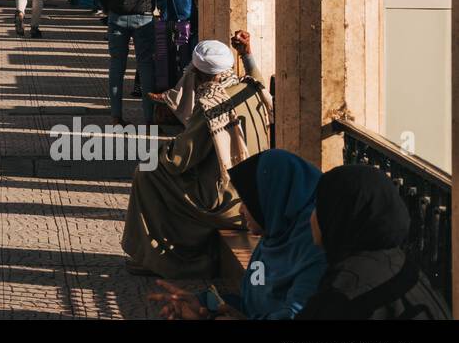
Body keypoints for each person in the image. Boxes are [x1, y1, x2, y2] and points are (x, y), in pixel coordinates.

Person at [122, 31, 272, 278]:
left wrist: (160, 151)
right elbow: (257, 78)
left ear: (198, 75)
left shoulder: (212, 104)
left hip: (226, 202)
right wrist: (247, 54)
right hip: (258, 194)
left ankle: (156, 257)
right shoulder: (252, 88)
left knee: (146, 175)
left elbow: (179, 160)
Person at [149, 149, 326, 320]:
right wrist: (205, 305)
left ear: (273, 198)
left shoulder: (313, 254)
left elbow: (296, 315)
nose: (241, 210)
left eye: (247, 201)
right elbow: (250, 305)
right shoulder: (272, 241)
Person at [297, 165, 451, 319]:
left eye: (319, 206)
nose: (312, 216)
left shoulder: (343, 298)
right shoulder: (400, 265)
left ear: (340, 215)